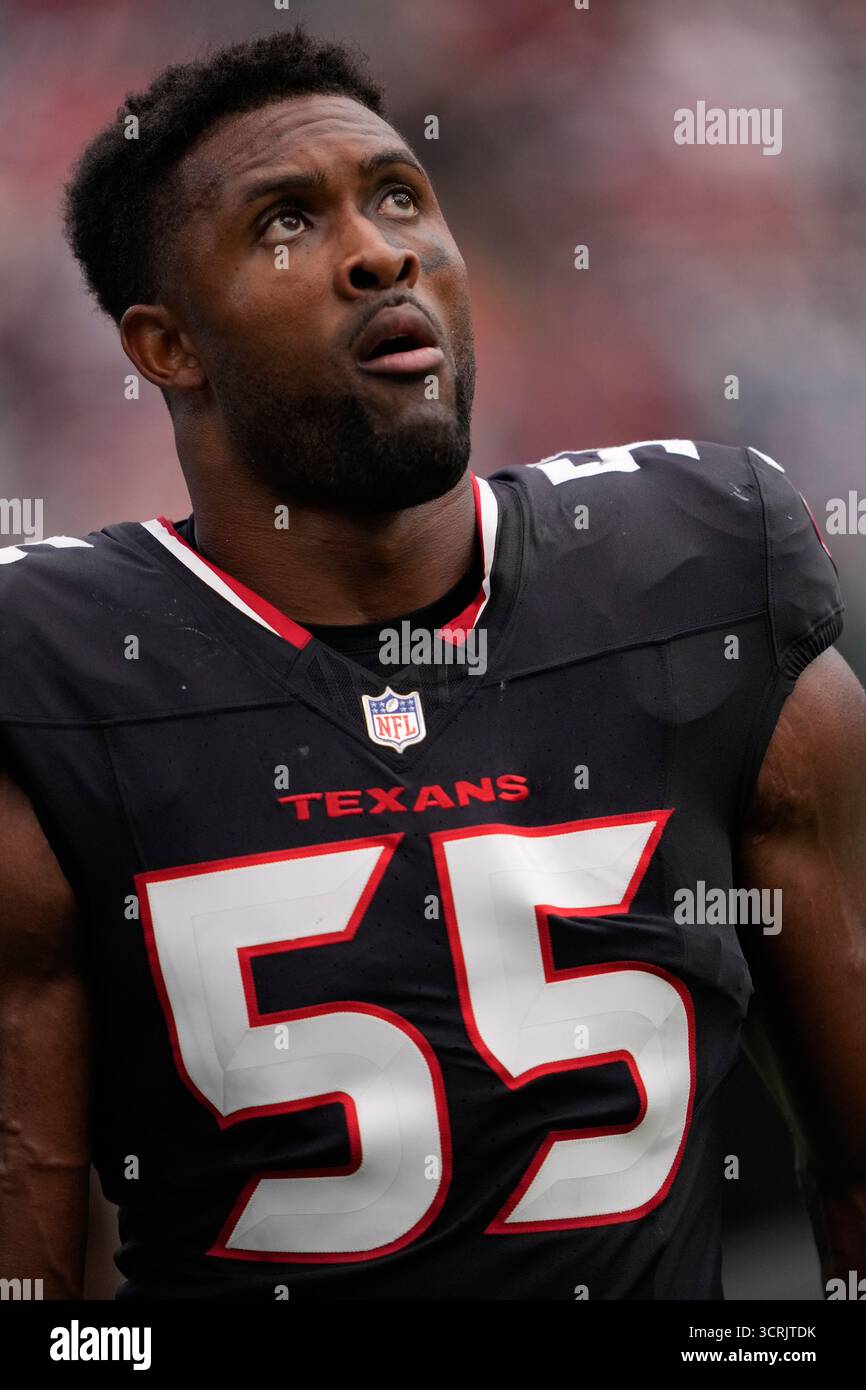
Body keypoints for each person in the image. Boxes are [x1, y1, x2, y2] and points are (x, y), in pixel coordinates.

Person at [1, 25, 864, 1301]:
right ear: (165, 347)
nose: (378, 252)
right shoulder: (57, 675)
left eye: (399, 194)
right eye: (286, 223)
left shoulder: (700, 570)